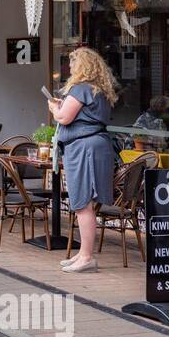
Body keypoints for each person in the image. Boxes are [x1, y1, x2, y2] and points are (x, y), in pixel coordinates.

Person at [48, 46, 119, 274]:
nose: (70, 68)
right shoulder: (99, 91)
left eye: (72, 64)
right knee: (86, 203)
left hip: (83, 148)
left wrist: (53, 108)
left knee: (82, 204)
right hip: (96, 145)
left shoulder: (80, 89)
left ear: (82, 67)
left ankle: (86, 257)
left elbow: (64, 117)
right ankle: (82, 253)